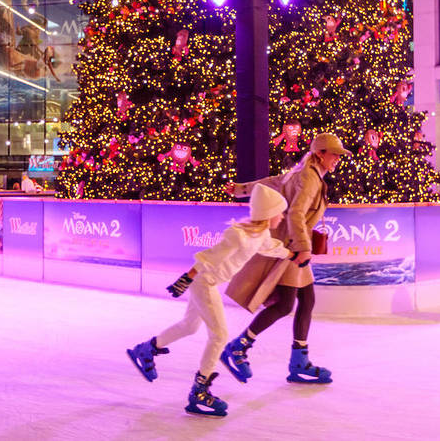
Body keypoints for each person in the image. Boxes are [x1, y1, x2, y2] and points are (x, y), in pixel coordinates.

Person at [126, 184, 291, 417]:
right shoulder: (238, 235)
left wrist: (291, 254)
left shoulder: (260, 234)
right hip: (205, 282)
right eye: (279, 212)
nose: (282, 217)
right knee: (220, 335)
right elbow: (211, 257)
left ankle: (146, 349)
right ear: (268, 213)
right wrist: (187, 278)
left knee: (189, 326)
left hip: (207, 283)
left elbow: (270, 247)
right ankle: (199, 391)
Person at [223, 132, 350, 385]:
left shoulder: (301, 172)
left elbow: (269, 183)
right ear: (320, 154)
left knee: (305, 300)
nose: (337, 158)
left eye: (339, 155)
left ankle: (297, 361)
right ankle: (239, 347)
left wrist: (241, 189)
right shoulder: (309, 177)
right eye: (334, 154)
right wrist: (303, 248)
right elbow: (296, 213)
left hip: (292, 244)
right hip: (293, 246)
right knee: (285, 305)